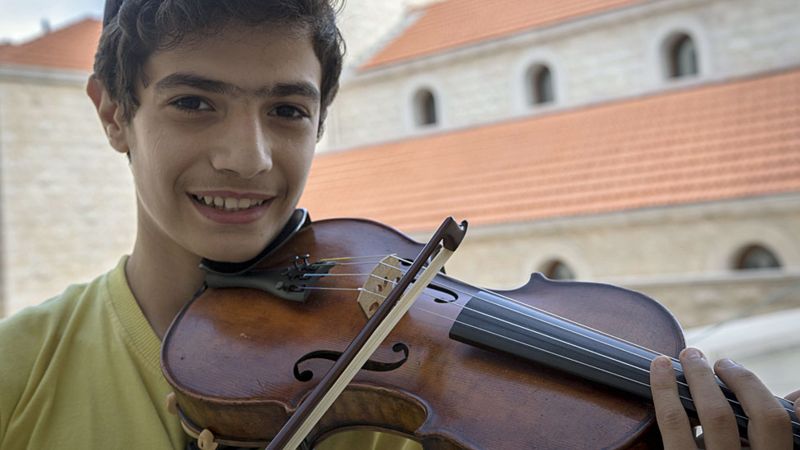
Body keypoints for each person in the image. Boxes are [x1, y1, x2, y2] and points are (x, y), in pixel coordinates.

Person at [0, 1, 796, 449]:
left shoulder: (417, 418)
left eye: (286, 110)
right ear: (114, 114)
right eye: (193, 102)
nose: (247, 158)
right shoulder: (20, 372)